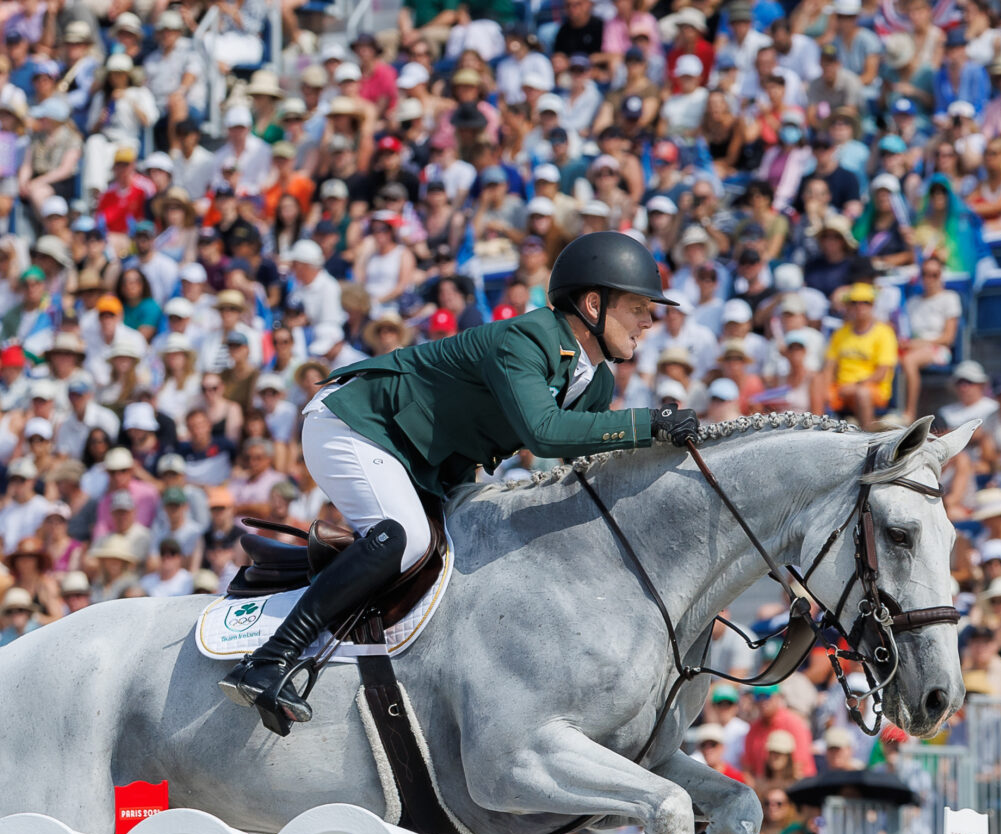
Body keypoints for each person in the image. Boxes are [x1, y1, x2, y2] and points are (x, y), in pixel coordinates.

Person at [217, 232, 697, 733]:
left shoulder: (596, 381)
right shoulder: (526, 339)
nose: (648, 320)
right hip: (357, 424)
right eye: (639, 307)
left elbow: (584, 457)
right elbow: (547, 434)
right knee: (408, 538)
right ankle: (270, 660)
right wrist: (650, 424)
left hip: (422, 458)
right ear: (594, 304)